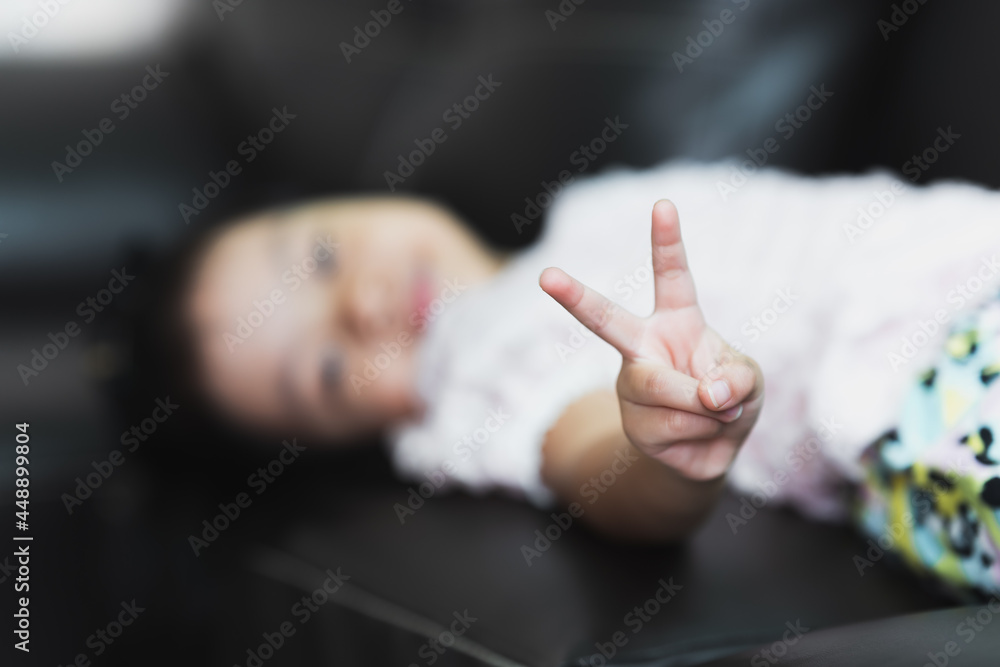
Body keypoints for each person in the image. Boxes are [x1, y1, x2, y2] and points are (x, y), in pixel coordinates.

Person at [175, 161, 1000, 593]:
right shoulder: (475, 378)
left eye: (321, 256)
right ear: (353, 441)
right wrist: (666, 442)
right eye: (325, 369)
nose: (361, 303)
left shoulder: (594, 206)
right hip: (927, 401)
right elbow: (590, 457)